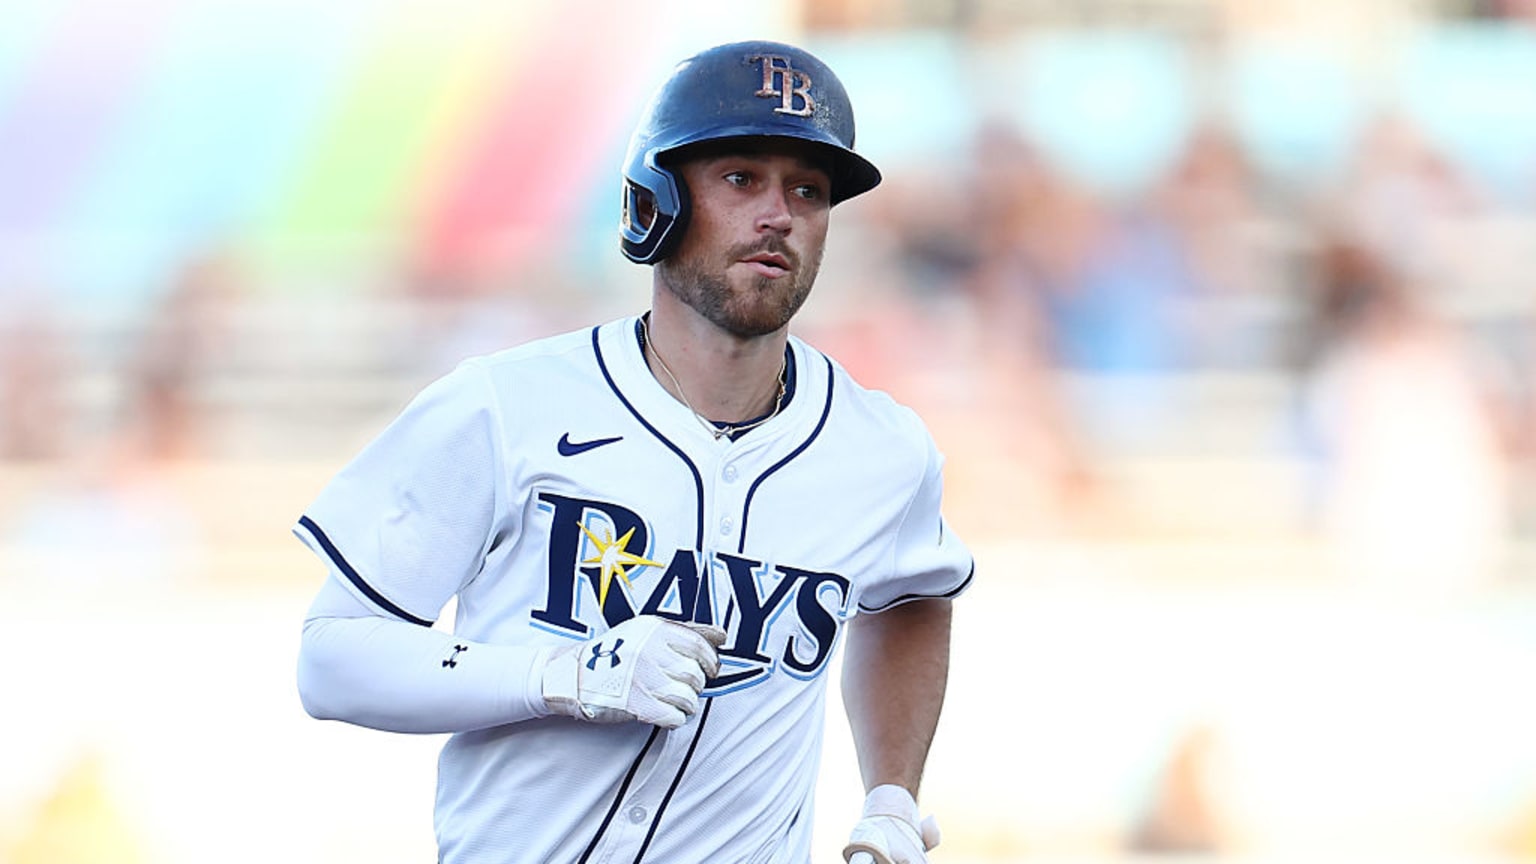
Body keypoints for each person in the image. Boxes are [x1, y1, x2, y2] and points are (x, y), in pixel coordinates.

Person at [293, 40, 973, 864]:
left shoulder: (881, 450)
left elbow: (913, 595)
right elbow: (332, 661)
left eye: (808, 189)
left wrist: (892, 795)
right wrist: (564, 674)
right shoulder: (505, 405)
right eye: (740, 178)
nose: (779, 214)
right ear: (658, 200)